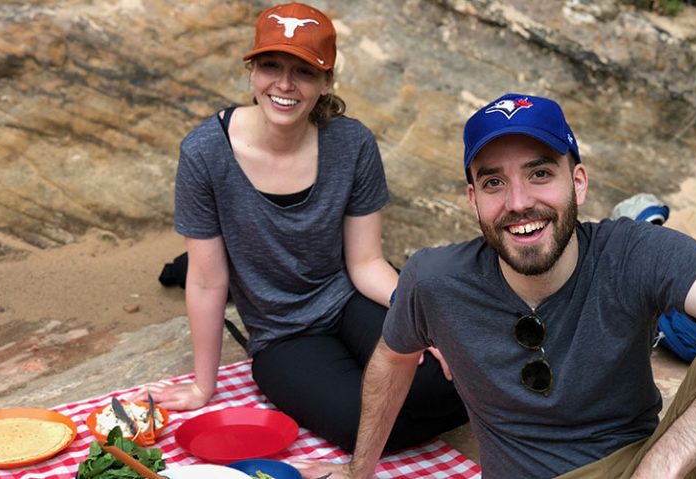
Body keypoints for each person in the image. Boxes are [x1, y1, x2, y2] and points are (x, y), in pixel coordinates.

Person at [293, 93, 696, 478]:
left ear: (578, 182)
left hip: (644, 461)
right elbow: (393, 357)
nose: (519, 202)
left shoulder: (632, 252)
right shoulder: (435, 280)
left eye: (540, 173)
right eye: (494, 183)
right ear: (473, 199)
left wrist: (660, 465)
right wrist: (358, 470)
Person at [133, 2, 467, 453]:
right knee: (356, 422)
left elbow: (366, 262)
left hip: (348, 298)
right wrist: (202, 386)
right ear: (252, 71)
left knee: (449, 374)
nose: (285, 85)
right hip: (283, 334)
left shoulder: (352, 143)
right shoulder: (204, 153)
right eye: (271, 66)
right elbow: (208, 281)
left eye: (304, 71)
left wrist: (423, 323)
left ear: (326, 82)